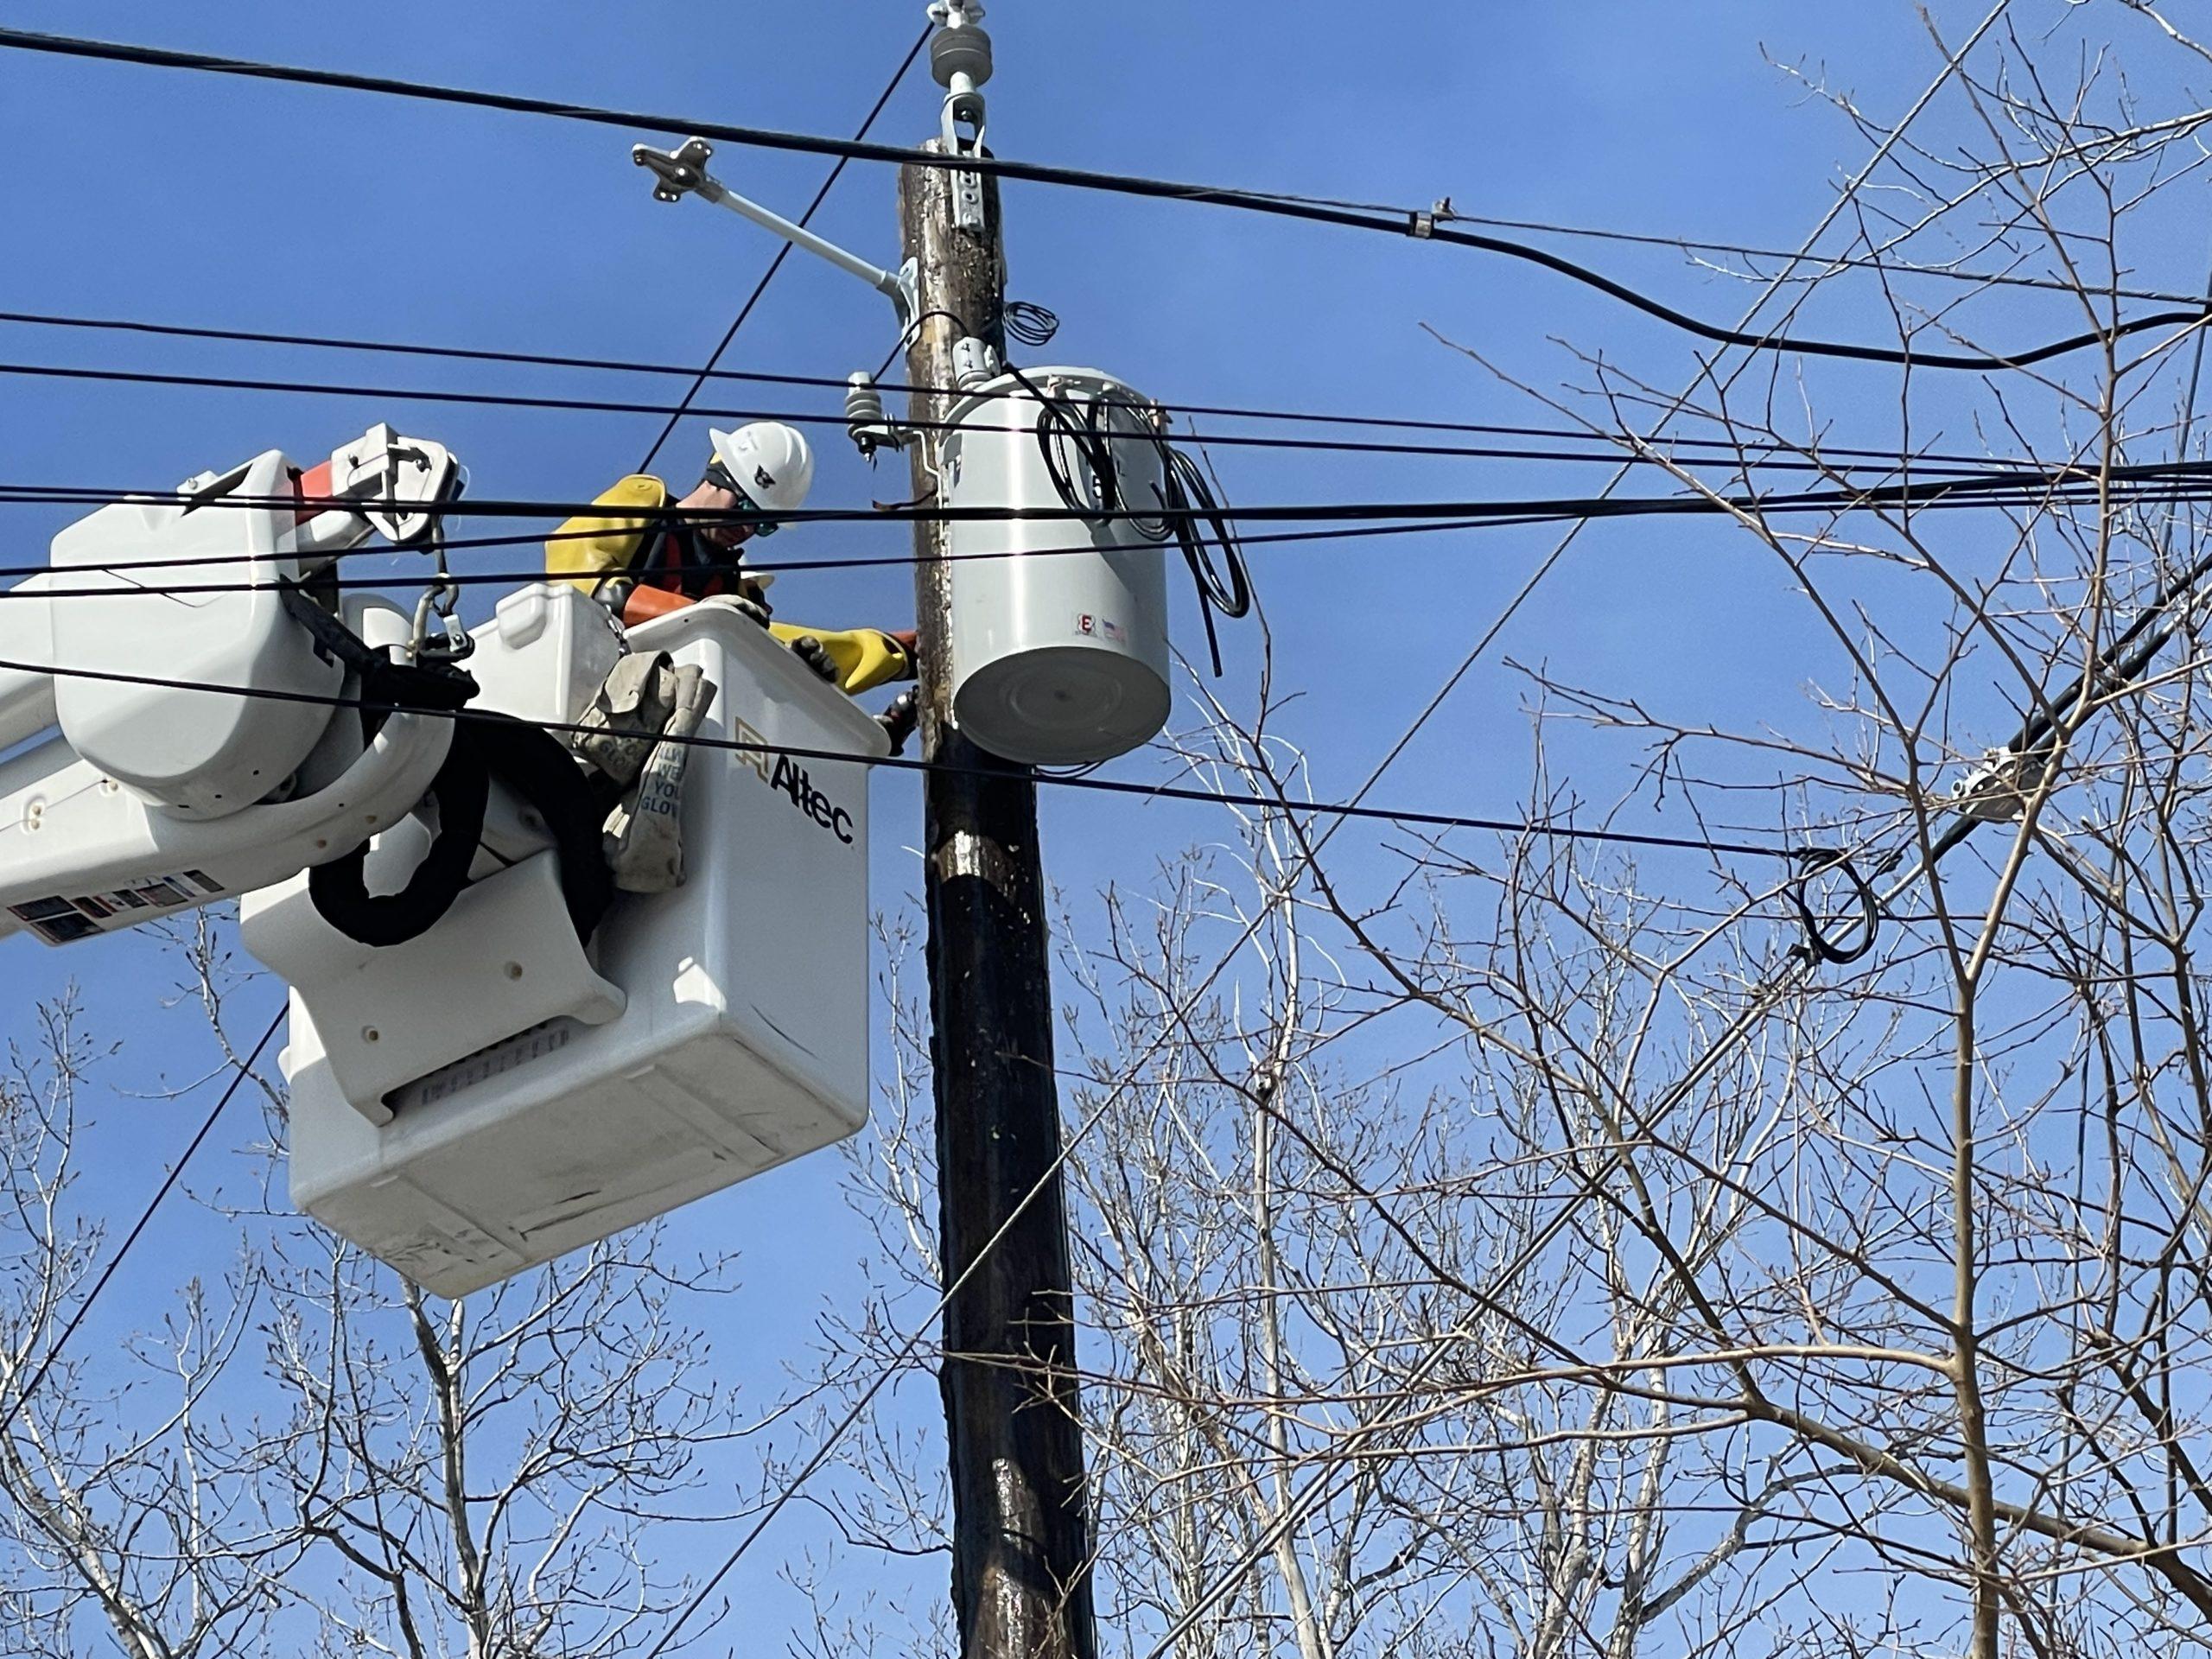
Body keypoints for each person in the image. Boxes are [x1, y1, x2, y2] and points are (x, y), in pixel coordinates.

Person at [546, 423, 917, 705]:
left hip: (670, 714)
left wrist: (892, 653)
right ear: (717, 478)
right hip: (590, 687)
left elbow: (772, 643)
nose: (745, 529)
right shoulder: (646, 504)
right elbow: (585, 582)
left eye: (763, 525)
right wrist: (712, 618)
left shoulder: (735, 589)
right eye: (743, 510)